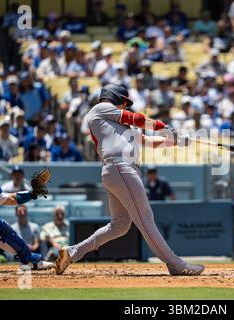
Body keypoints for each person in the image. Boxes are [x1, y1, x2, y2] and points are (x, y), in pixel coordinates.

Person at [54, 84, 204, 276]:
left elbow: (146, 141)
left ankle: (73, 252)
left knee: (119, 226)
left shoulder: (118, 124)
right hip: (121, 168)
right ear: (115, 97)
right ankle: (175, 264)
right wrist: (165, 128)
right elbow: (138, 118)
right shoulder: (101, 108)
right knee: (146, 220)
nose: (125, 106)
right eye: (124, 102)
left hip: (119, 171)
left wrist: (174, 141)